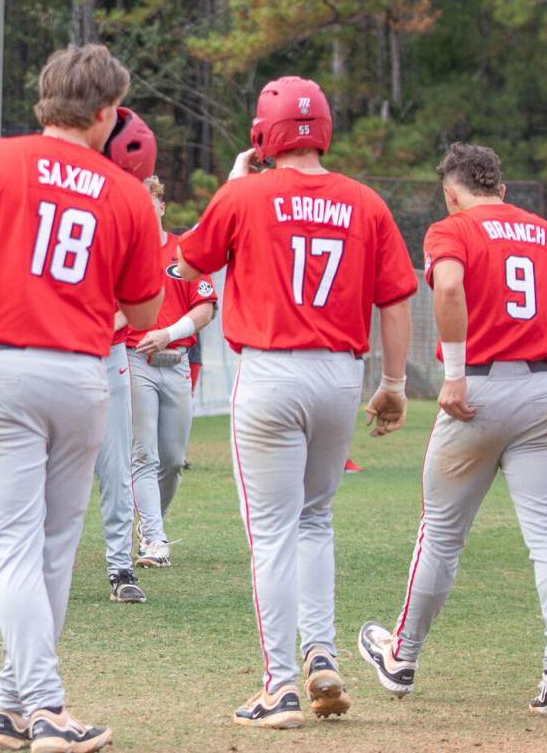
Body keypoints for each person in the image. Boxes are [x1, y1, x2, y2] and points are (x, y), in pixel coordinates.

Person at [0, 45, 163, 751]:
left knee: (17, 549)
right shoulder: (126, 192)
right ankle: (36, 708)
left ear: (44, 100)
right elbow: (144, 316)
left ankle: (16, 707)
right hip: (81, 372)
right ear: (108, 114)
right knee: (51, 551)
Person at [175, 76, 417, 727]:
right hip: (340, 375)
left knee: (274, 534)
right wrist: (392, 384)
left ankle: (280, 686)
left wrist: (232, 185)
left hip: (270, 373)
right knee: (315, 521)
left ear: (265, 135)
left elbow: (186, 265)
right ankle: (322, 653)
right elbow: (395, 298)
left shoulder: (245, 194)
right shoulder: (364, 201)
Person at [358, 142, 547, 717]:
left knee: (442, 535)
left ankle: (400, 657)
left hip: (476, 389)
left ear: (452, 194)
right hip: (543, 390)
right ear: (502, 188)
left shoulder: (451, 229)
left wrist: (452, 376)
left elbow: (448, 288)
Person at [127, 176, 215, 568]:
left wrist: (168, 333)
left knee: (173, 459)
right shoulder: (124, 254)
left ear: (161, 207)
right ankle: (154, 538)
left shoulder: (184, 251)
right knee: (143, 453)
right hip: (135, 361)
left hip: (176, 362)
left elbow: (205, 308)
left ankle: (151, 522)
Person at [94, 106, 160, 604]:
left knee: (115, 466)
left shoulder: (129, 217)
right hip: (58, 354)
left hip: (106, 354)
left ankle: (120, 567)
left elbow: (137, 310)